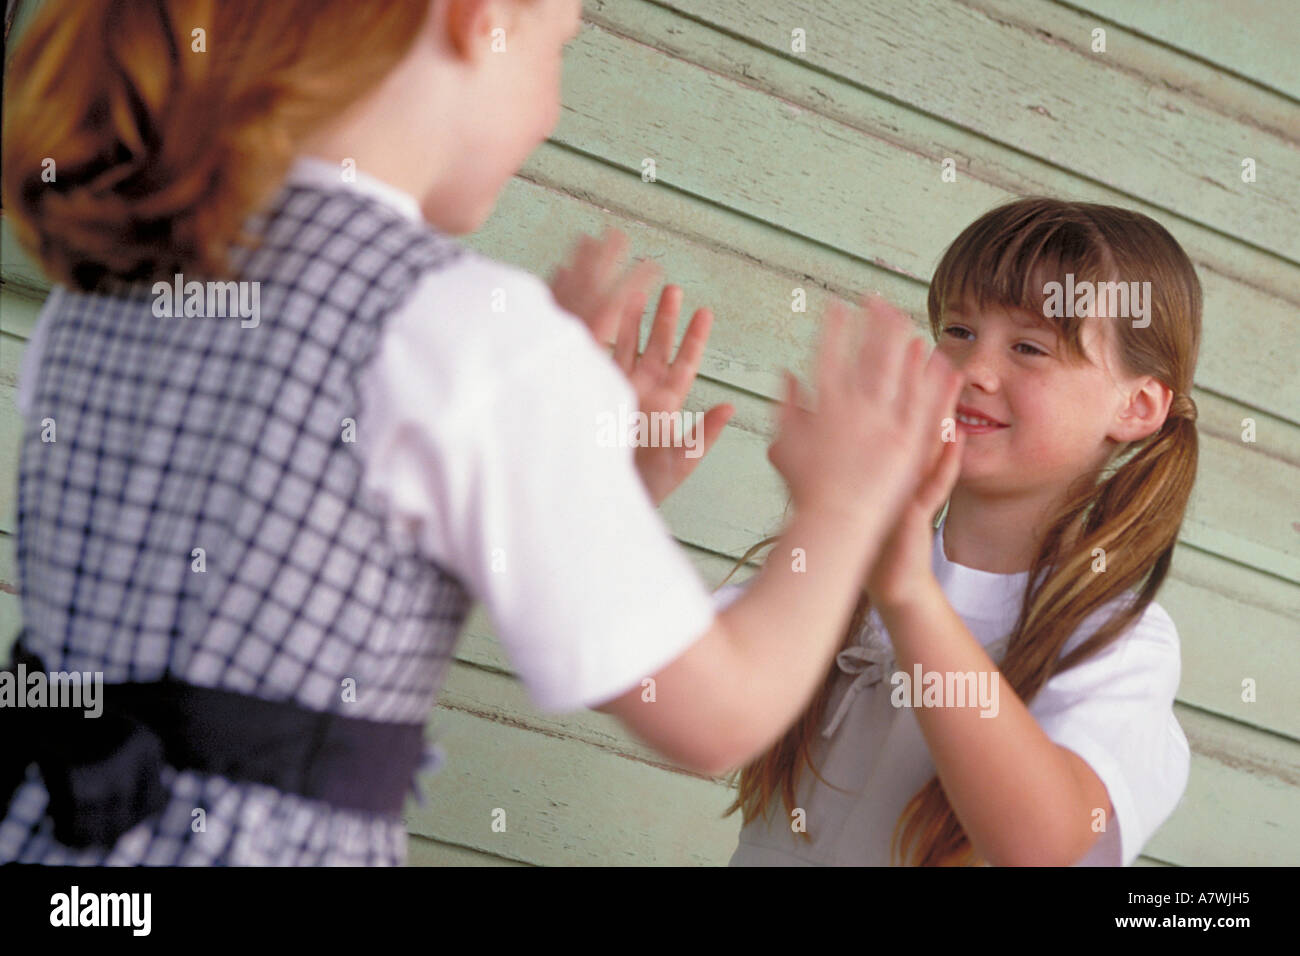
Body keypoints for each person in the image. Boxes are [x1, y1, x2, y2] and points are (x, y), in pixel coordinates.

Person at [0, 0, 960, 864]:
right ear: (479, 19)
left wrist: (575, 454)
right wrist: (841, 505)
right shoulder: (464, 329)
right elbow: (715, 715)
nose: (550, 110)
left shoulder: (103, 291)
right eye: (562, 44)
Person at [718, 197, 1199, 866]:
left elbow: (1042, 842)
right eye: (958, 331)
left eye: (1029, 347)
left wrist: (909, 598)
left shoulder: (1117, 638)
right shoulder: (839, 564)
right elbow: (678, 681)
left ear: (1137, 406)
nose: (972, 370)